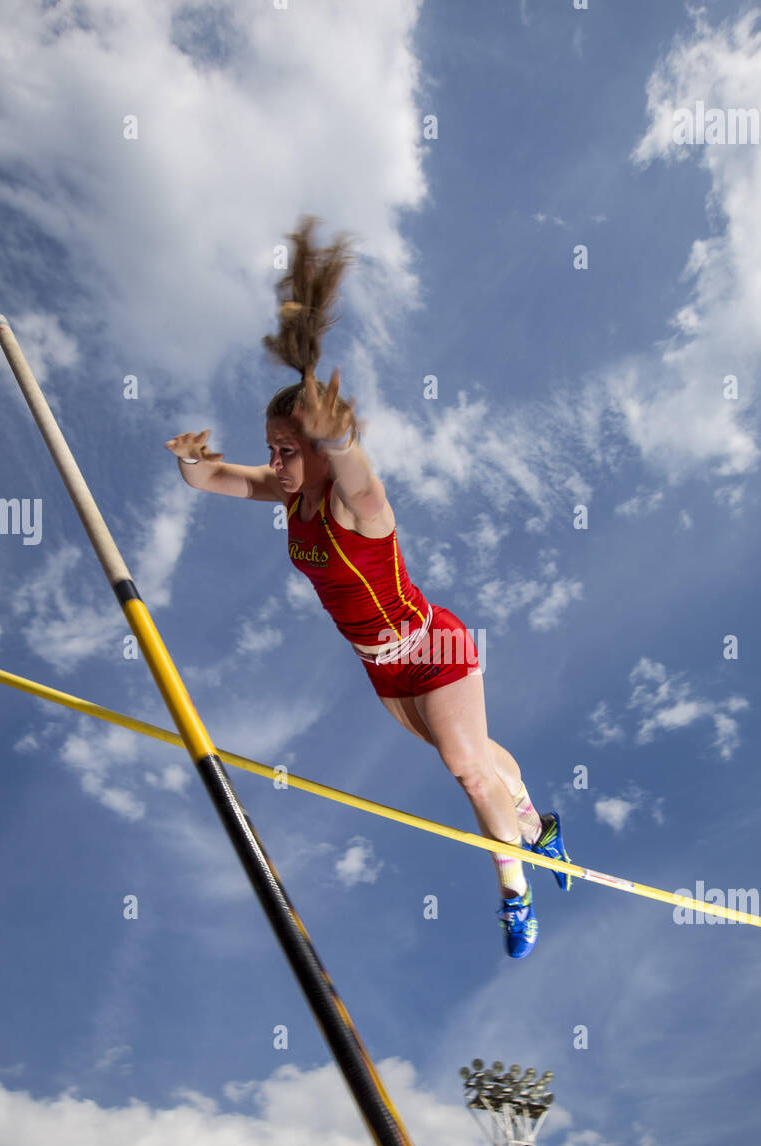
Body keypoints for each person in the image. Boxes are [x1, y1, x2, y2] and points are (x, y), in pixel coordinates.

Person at [166, 216, 571, 957]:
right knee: (475, 754)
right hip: (382, 667)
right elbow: (216, 479)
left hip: (433, 645)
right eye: (272, 449)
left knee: (462, 766)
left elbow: (367, 486)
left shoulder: (353, 503)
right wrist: (192, 463)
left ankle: (517, 897)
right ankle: (540, 828)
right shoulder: (290, 496)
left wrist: (343, 441)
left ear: (320, 450)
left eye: (289, 449)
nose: (276, 461)